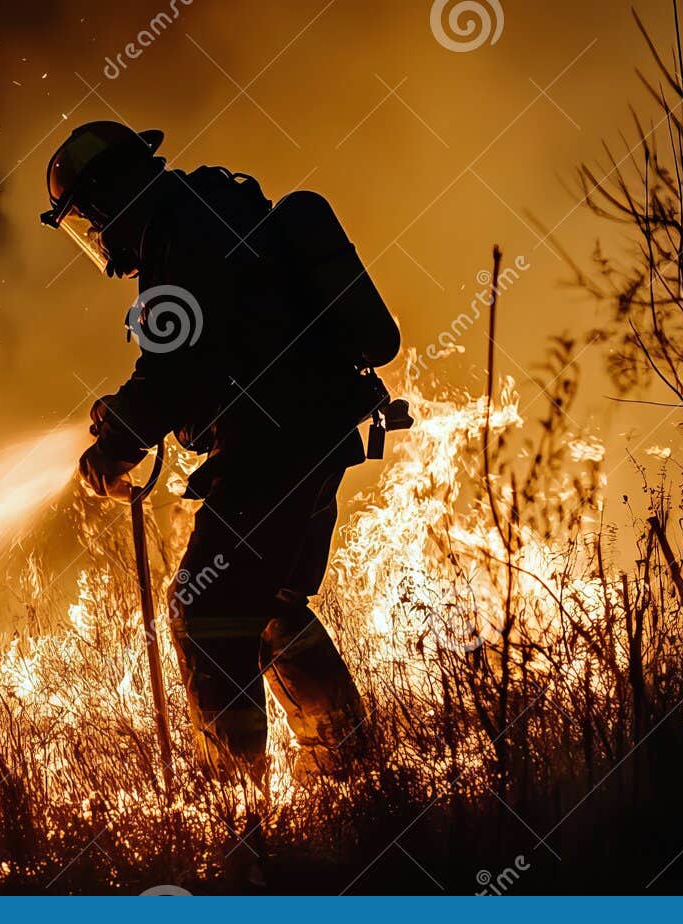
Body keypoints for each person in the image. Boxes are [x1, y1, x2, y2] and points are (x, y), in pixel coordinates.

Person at [39, 121, 407, 784]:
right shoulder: (206, 212)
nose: (93, 238)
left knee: (204, 612)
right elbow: (199, 357)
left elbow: (176, 368)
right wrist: (124, 414)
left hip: (272, 447)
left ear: (107, 200)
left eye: (86, 219)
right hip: (314, 438)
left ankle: (237, 808)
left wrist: (120, 438)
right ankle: (354, 779)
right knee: (270, 611)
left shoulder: (182, 236)